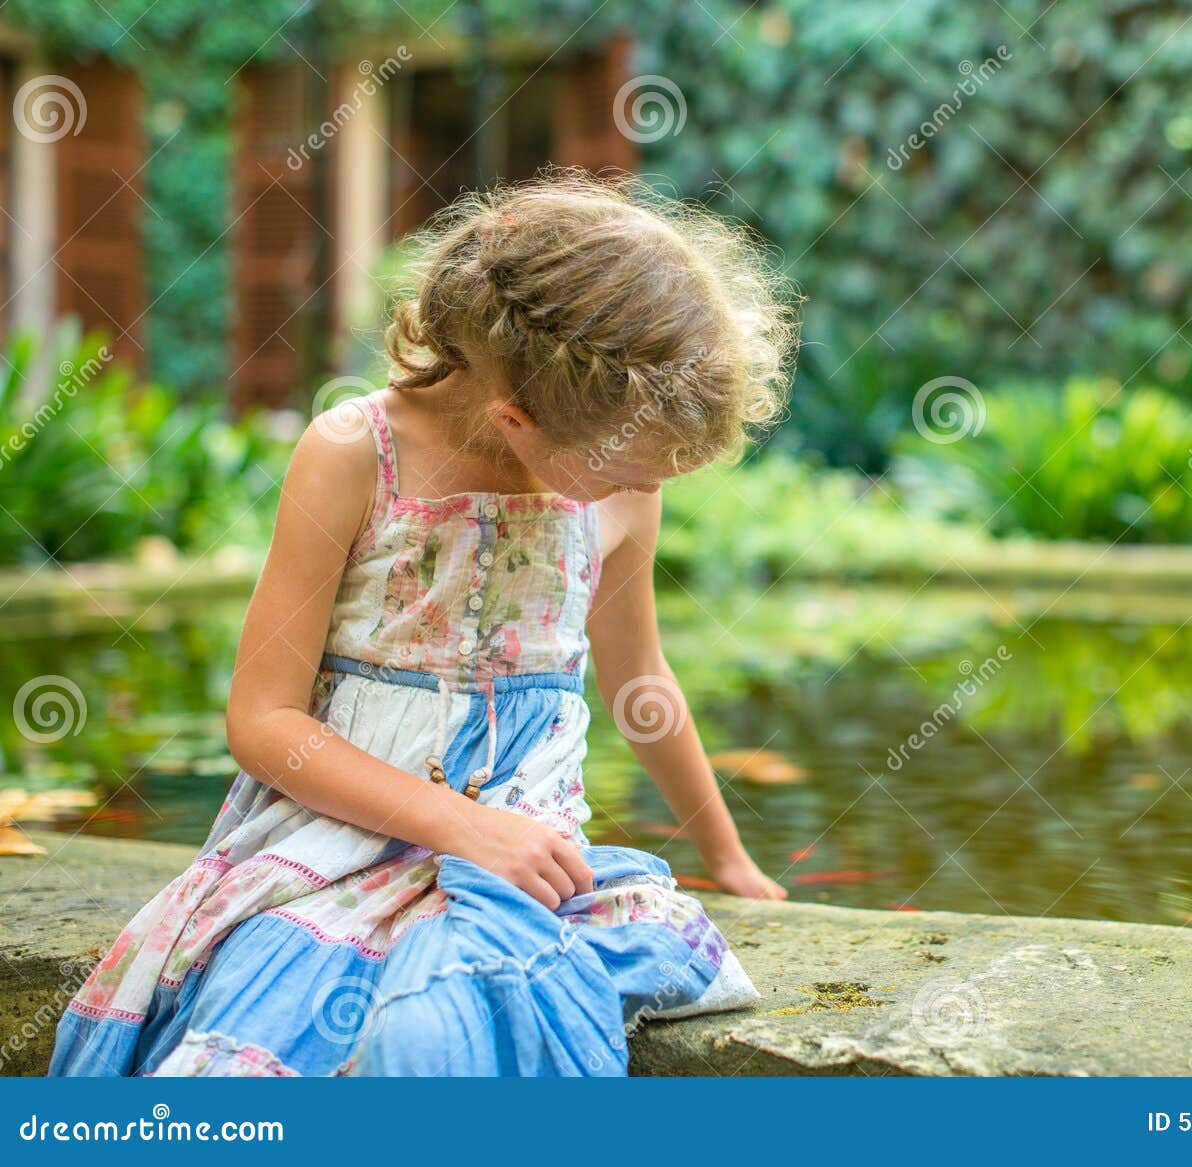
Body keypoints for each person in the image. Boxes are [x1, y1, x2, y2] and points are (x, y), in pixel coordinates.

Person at [51, 172, 798, 1077]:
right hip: (337, 840)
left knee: (508, 987)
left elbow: (640, 678)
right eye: (628, 472)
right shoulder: (356, 456)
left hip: (523, 852)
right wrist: (460, 827)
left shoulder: (624, 494)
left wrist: (728, 855)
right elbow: (262, 721)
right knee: (322, 1022)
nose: (647, 489)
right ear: (516, 419)